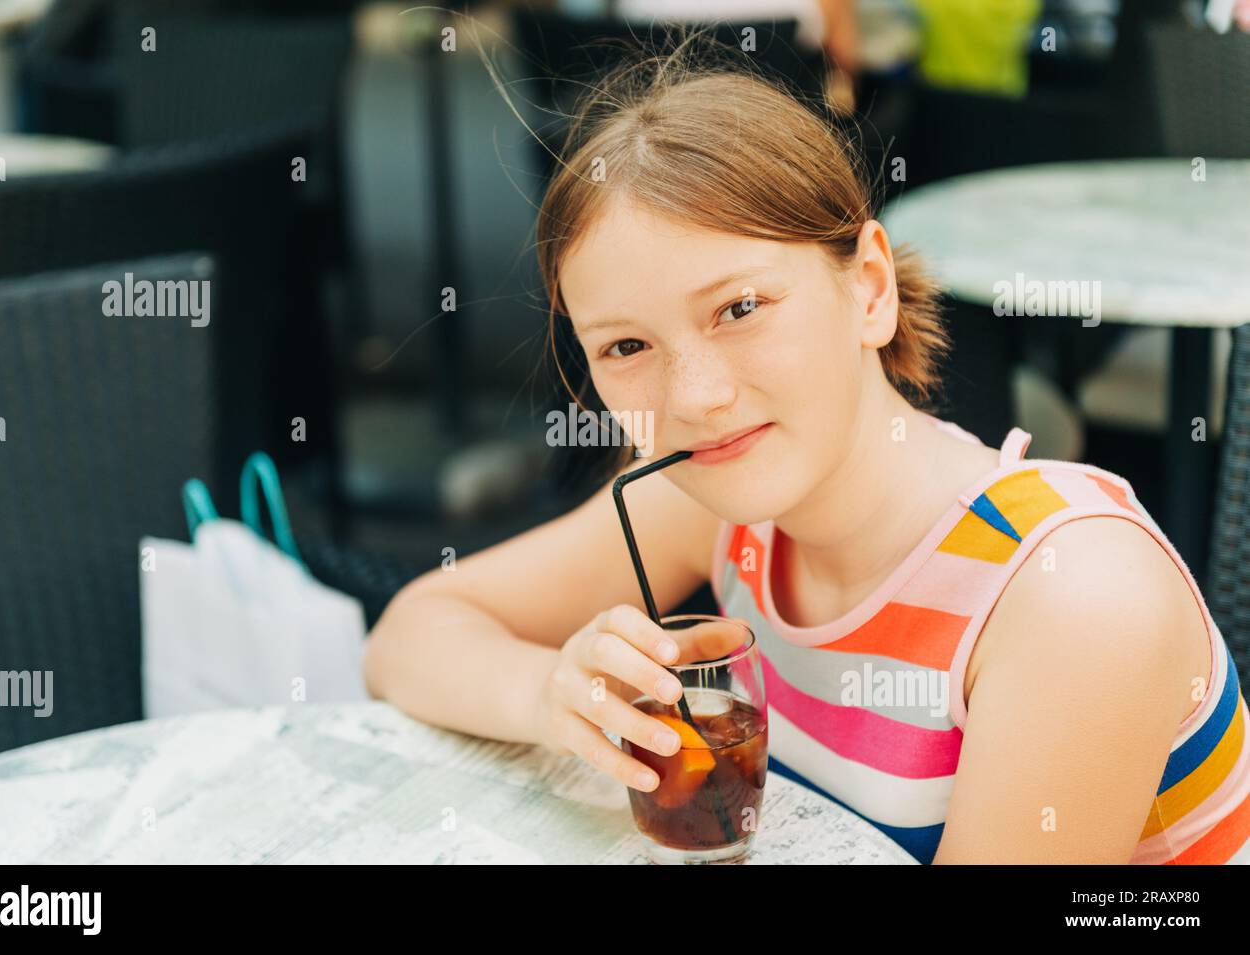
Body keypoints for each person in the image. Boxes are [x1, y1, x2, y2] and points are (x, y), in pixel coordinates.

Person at [363, 31, 1250, 864]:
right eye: (626, 347)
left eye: (740, 308)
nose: (696, 398)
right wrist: (557, 694)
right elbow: (408, 635)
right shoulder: (703, 496)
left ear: (868, 287)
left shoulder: (1071, 596)